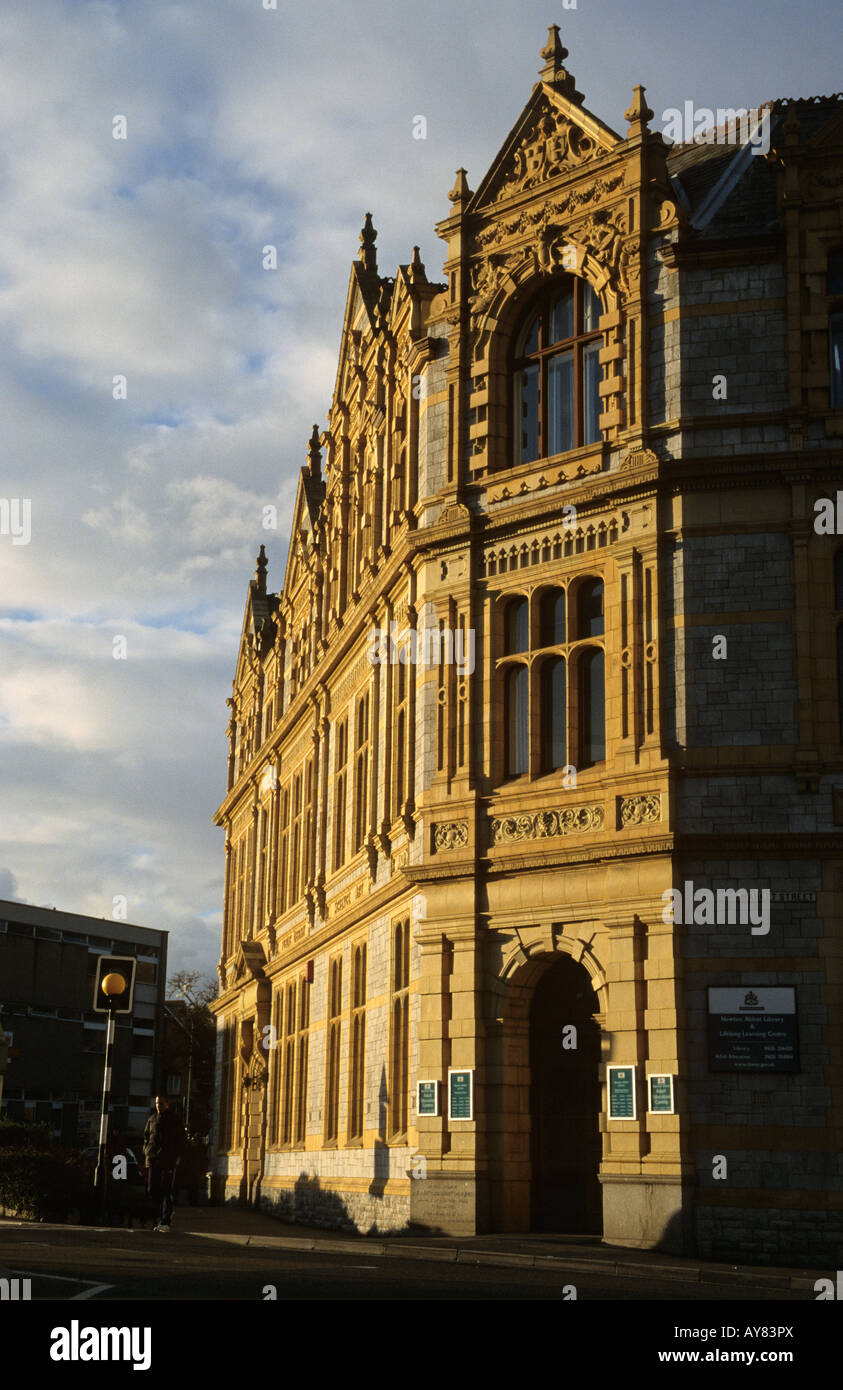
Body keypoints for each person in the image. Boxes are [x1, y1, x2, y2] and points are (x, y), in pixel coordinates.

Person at [142, 1094, 186, 1232]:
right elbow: (146, 1136)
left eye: (160, 1103)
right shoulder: (152, 1119)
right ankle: (161, 1215)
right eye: (156, 1103)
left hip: (168, 1159)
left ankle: (165, 1220)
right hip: (153, 1158)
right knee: (152, 1189)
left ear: (167, 1104)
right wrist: (147, 1150)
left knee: (167, 1189)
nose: (158, 1105)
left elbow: (181, 1140)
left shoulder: (174, 1119)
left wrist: (175, 1155)